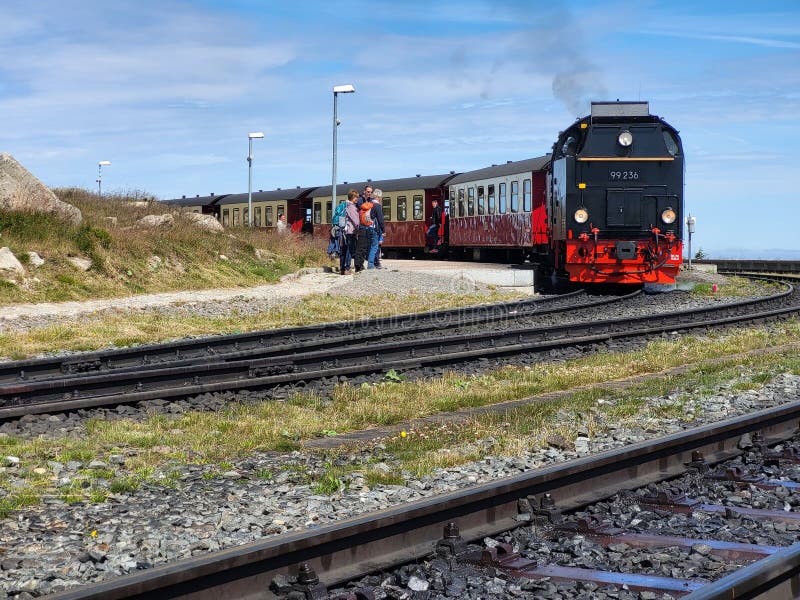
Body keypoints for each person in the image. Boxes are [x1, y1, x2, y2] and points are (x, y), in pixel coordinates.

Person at [354, 187, 376, 272]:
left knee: (365, 247)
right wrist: (371, 205)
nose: (369, 193)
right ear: (364, 191)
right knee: (360, 247)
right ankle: (357, 265)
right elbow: (364, 206)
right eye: (368, 191)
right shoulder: (360, 200)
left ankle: (361, 264)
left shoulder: (371, 200)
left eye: (371, 192)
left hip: (368, 226)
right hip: (361, 226)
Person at [340, 190, 360, 275]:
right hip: (351, 231)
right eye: (356, 197)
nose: (357, 199)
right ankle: (347, 268)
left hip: (345, 231)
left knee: (344, 250)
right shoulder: (351, 207)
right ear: (353, 197)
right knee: (349, 250)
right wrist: (359, 229)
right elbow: (356, 220)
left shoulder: (344, 205)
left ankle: (342, 269)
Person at [368, 189, 386, 269]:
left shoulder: (370, 204)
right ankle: (371, 265)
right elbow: (381, 220)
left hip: (368, 228)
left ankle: (373, 263)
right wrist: (383, 230)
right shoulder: (377, 206)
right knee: (375, 247)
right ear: (378, 196)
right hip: (375, 229)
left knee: (372, 246)